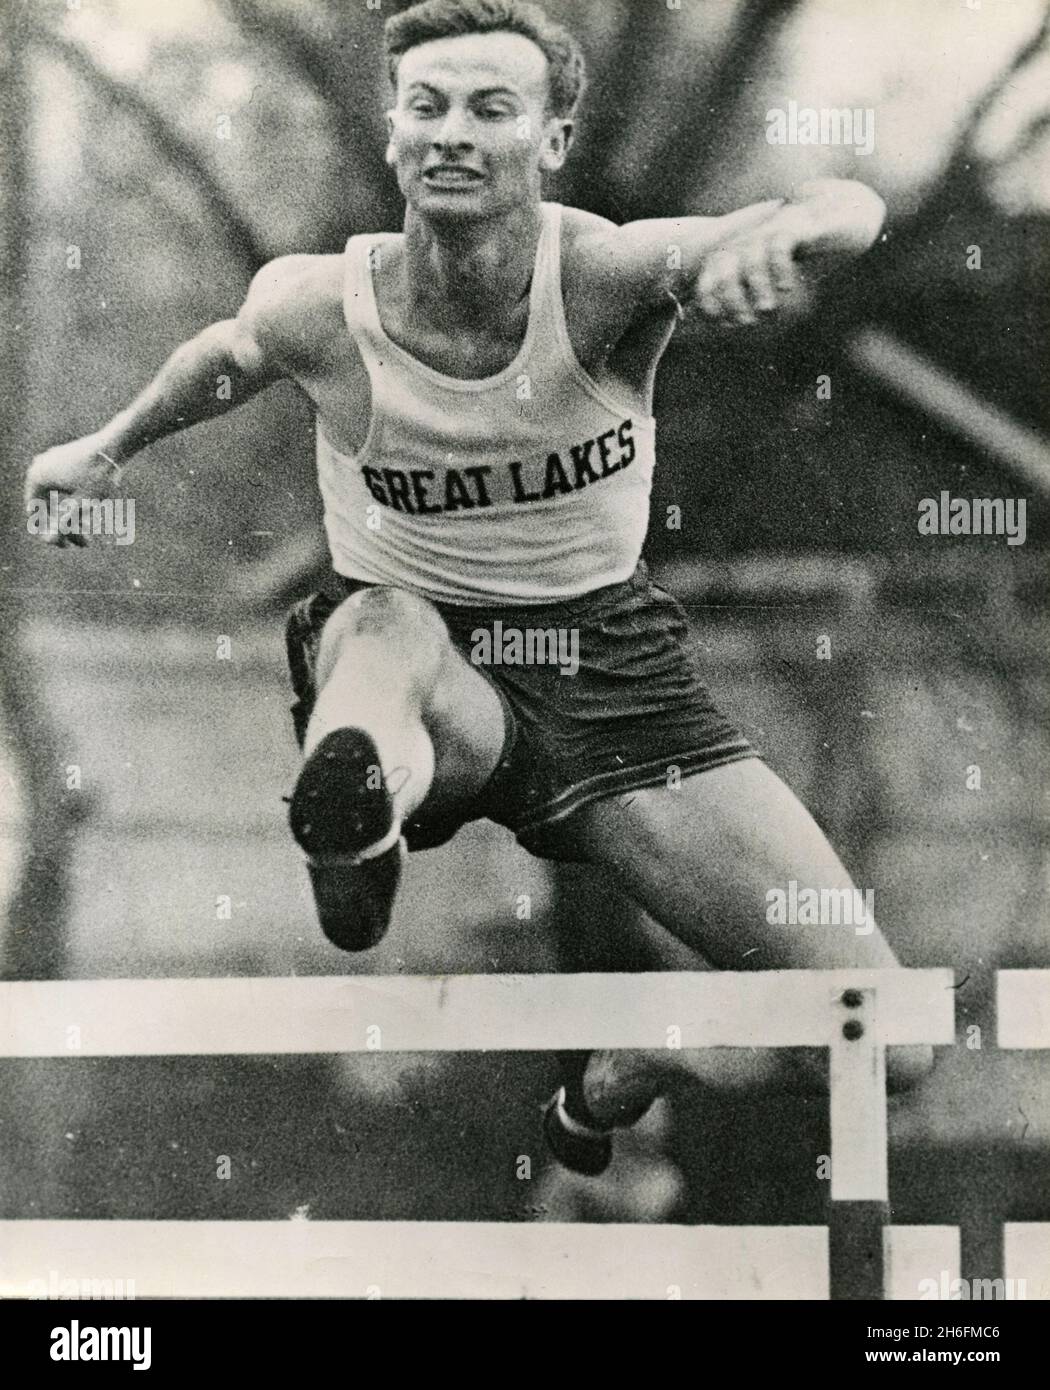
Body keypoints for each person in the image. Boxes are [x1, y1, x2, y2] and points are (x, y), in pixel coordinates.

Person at [25, 0, 931, 1177]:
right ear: (393, 131)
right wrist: (105, 446)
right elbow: (226, 356)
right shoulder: (320, 304)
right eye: (428, 105)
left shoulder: (603, 276)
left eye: (492, 108)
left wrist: (796, 225)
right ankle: (358, 817)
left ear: (551, 140)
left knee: (893, 1040)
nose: (453, 131)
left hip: (614, 681)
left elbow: (838, 214)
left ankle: (649, 1055)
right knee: (381, 623)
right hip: (426, 668)